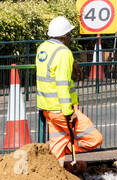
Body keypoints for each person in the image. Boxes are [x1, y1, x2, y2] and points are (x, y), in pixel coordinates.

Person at [36, 16, 103, 169]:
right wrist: (68, 112)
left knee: (58, 141)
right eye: (70, 34)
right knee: (94, 138)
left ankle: (56, 173)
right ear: (66, 35)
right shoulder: (64, 53)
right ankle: (58, 150)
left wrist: (71, 62)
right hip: (62, 109)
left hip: (47, 107)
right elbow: (62, 84)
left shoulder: (43, 48)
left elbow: (51, 71)